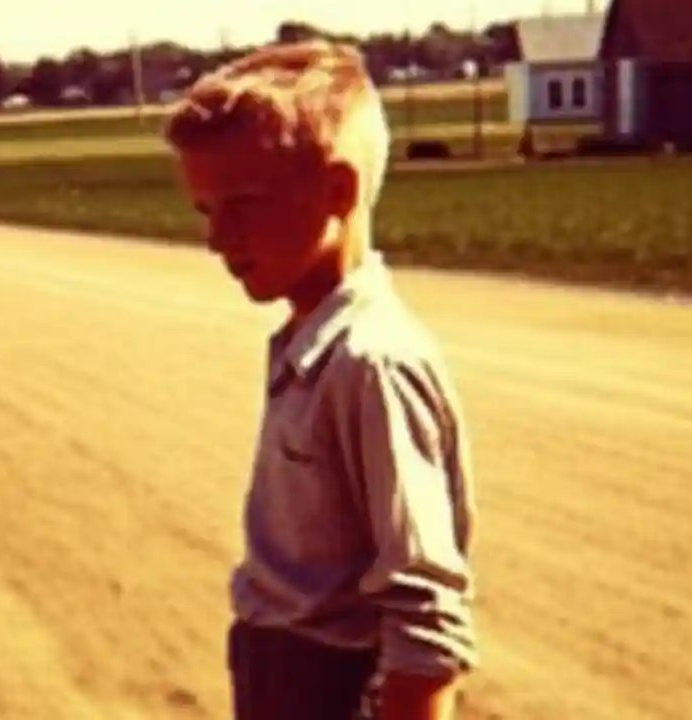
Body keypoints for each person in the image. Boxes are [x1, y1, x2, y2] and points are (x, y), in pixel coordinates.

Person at [162, 41, 478, 720]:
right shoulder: (311, 346)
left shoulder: (373, 364)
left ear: (338, 191)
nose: (219, 240)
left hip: (327, 688)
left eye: (243, 205)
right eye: (207, 213)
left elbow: (426, 615)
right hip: (278, 676)